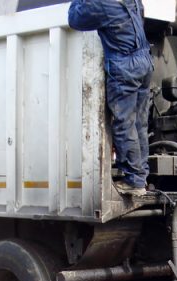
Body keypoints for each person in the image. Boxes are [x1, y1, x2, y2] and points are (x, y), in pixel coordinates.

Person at [68, 0, 153, 197]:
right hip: (144, 60)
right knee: (139, 124)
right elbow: (141, 12)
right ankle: (141, 176)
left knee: (124, 123)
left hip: (125, 65)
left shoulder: (102, 4)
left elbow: (75, 19)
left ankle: (134, 179)